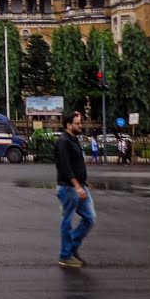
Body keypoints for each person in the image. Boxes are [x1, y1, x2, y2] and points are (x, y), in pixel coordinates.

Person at [55, 111, 95, 268]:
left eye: (80, 123)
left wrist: (82, 185)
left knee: (90, 218)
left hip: (79, 187)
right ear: (68, 125)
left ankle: (71, 247)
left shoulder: (73, 139)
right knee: (67, 221)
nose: (80, 125)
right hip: (69, 188)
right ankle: (65, 255)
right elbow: (65, 167)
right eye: (77, 123)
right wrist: (78, 187)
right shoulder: (63, 142)